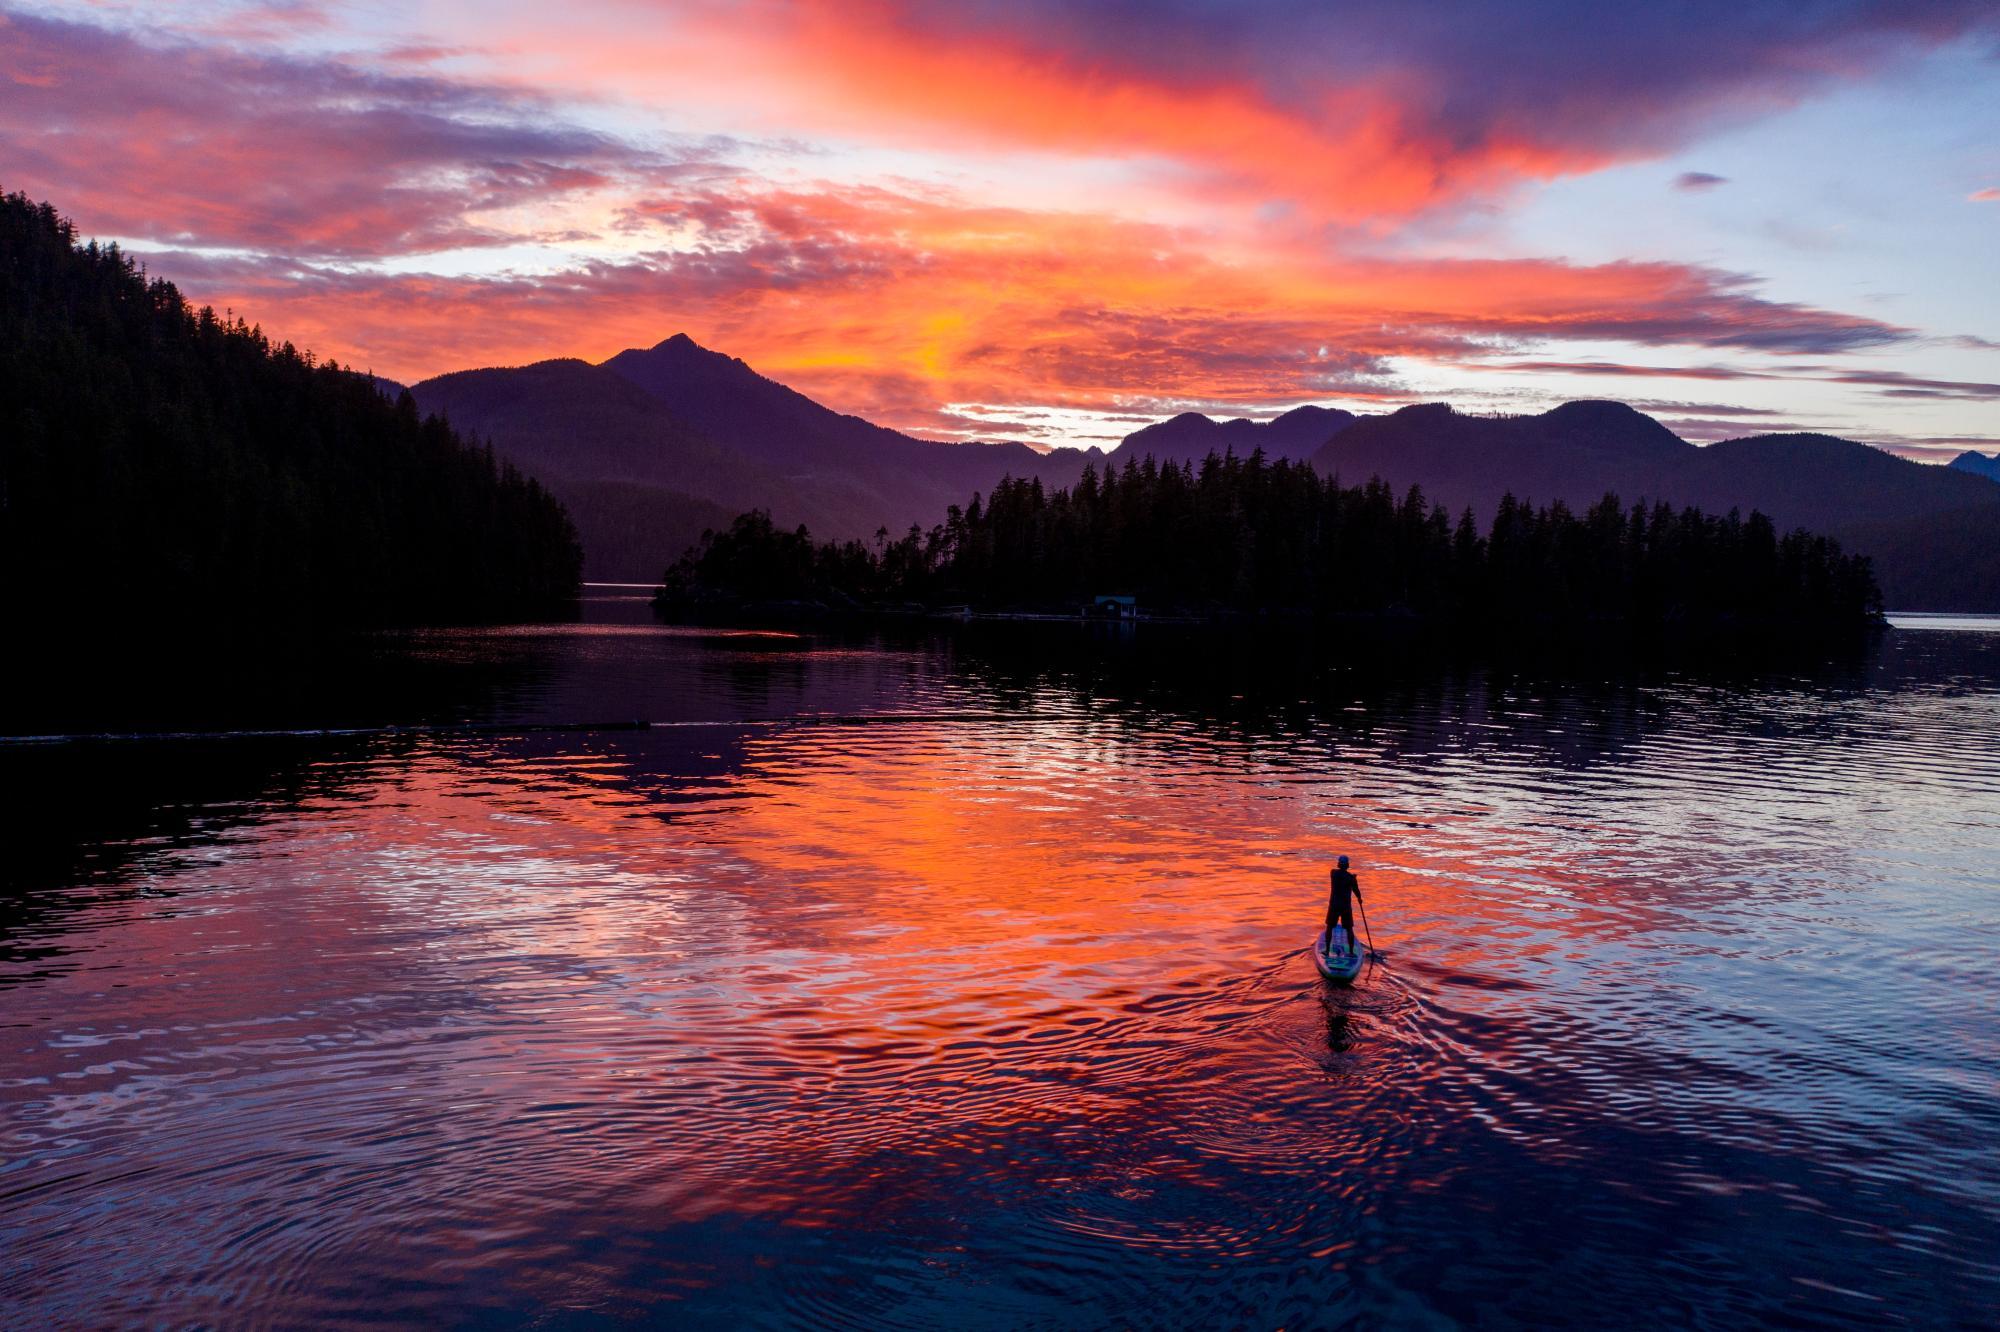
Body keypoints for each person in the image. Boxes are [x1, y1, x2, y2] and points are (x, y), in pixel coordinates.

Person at [1323, 855, 1362, 956]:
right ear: (1348, 865)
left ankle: (1327, 951)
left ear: (1339, 864)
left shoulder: (1333, 873)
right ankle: (1351, 952)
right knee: (1349, 928)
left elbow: (1339, 874)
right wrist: (1359, 897)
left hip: (1334, 905)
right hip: (1345, 906)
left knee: (1330, 927)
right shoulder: (1350, 878)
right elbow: (1356, 891)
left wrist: (1352, 878)